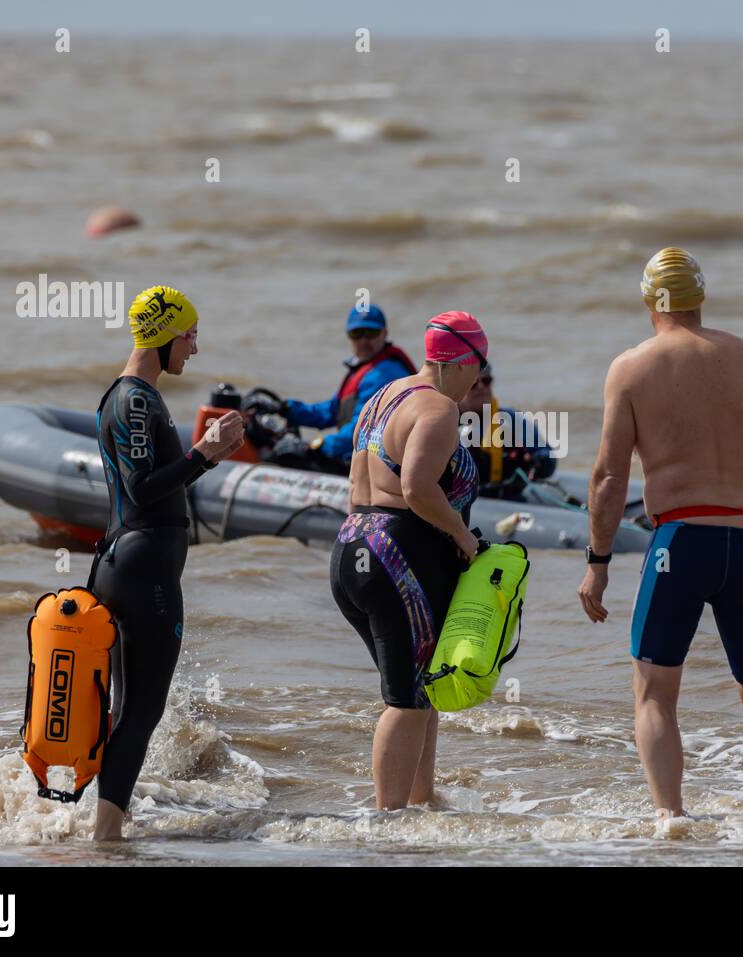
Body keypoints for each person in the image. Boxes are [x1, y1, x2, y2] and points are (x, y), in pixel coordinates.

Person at [576, 247, 743, 823]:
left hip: (680, 544)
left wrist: (599, 561)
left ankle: (671, 822)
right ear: (700, 297)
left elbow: (609, 476)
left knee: (656, 695)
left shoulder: (632, 368)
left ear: (648, 300)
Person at [90, 285, 245, 841]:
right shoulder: (134, 400)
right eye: (189, 336)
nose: (194, 350)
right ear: (163, 334)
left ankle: (109, 820)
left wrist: (206, 457)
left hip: (129, 562)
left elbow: (149, 485)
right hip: (141, 569)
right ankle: (105, 837)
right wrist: (204, 451)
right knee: (141, 710)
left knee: (126, 708)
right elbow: (144, 487)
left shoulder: (135, 396)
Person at [329, 311, 486, 810]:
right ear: (458, 360)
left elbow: (357, 486)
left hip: (355, 547)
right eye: (478, 367)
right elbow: (418, 488)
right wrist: (463, 536)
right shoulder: (436, 408)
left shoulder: (383, 396)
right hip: (400, 558)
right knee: (406, 698)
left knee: (423, 690)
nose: (478, 380)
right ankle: (388, 824)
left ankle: (421, 801)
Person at [276, 303, 416, 473]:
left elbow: (363, 429)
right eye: (357, 334)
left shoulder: (384, 374)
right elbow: (332, 411)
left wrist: (316, 446)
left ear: (384, 334)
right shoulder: (364, 369)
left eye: (371, 333)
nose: (364, 341)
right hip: (360, 456)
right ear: (349, 337)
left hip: (382, 469)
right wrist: (286, 408)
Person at [456, 362, 558, 499]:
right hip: (464, 501)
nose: (481, 387)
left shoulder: (511, 419)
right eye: (473, 384)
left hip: (509, 499)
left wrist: (538, 461)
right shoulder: (446, 424)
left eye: (486, 381)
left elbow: (546, 454)